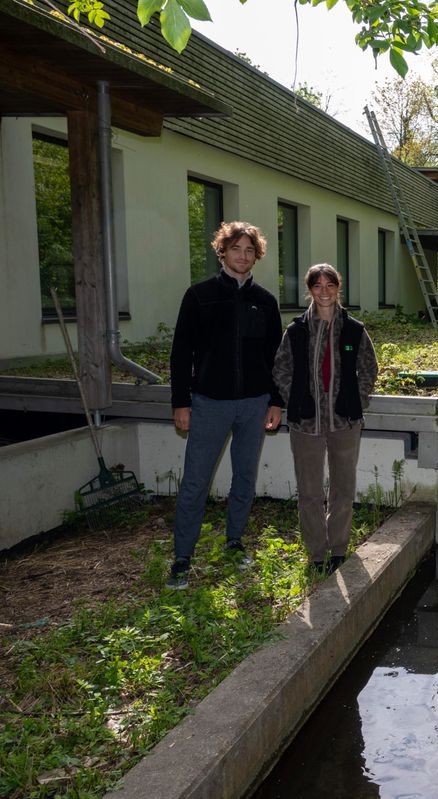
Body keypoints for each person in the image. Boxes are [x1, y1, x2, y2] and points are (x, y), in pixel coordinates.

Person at [168, 221, 284, 590]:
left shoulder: (265, 301)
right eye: (237, 249)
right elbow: (179, 353)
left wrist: (276, 402)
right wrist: (180, 402)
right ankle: (182, 558)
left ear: (256, 256)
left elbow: (277, 358)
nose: (243, 256)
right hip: (209, 403)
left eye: (250, 250)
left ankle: (234, 541)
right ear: (222, 252)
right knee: (195, 482)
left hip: (254, 404)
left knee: (245, 479)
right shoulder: (199, 295)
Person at [273, 264, 378, 574]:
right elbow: (280, 369)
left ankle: (338, 549)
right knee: (310, 492)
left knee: (343, 488)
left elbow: (369, 368)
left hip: (345, 423)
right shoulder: (296, 331)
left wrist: (355, 400)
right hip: (306, 424)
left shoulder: (354, 329)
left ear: (338, 287)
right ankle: (317, 553)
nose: (324, 291)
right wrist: (298, 399)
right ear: (310, 290)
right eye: (317, 285)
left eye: (329, 284)